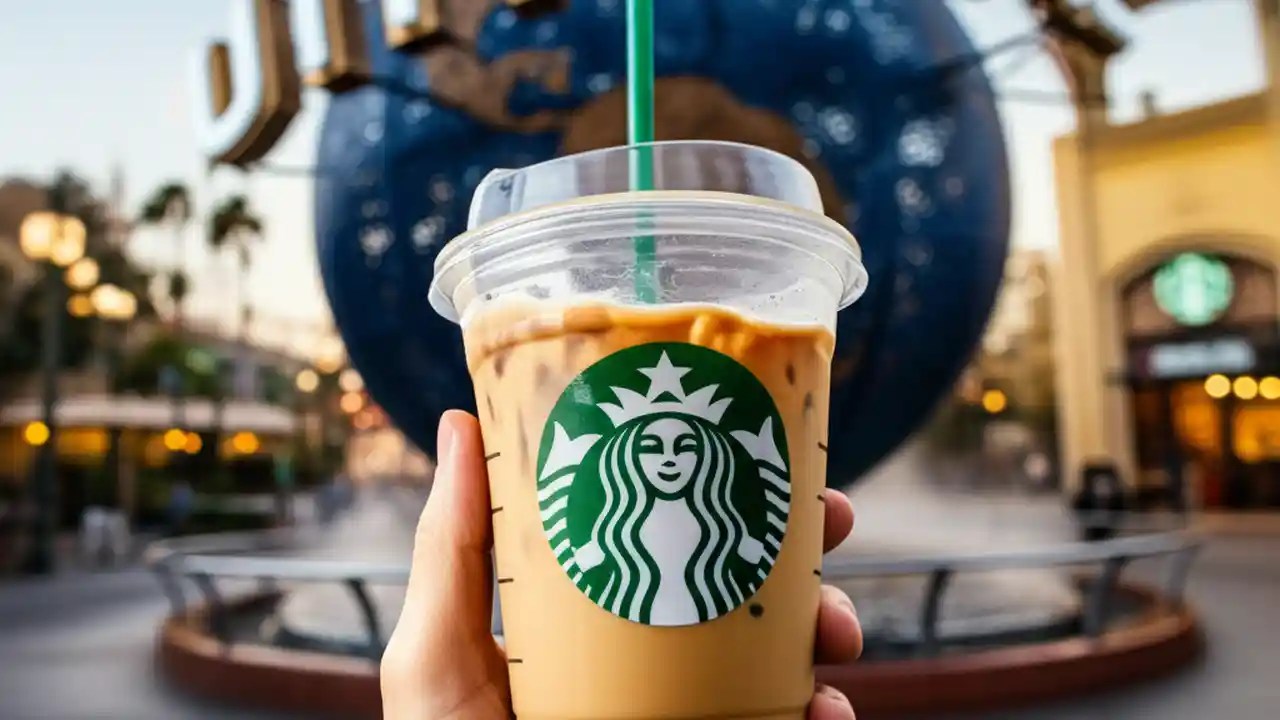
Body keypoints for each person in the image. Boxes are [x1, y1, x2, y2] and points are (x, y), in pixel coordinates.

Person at [381, 411, 863, 720]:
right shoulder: (605, 540)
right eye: (652, 448)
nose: (669, 461)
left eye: (686, 447)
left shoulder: (729, 540)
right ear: (627, 457)